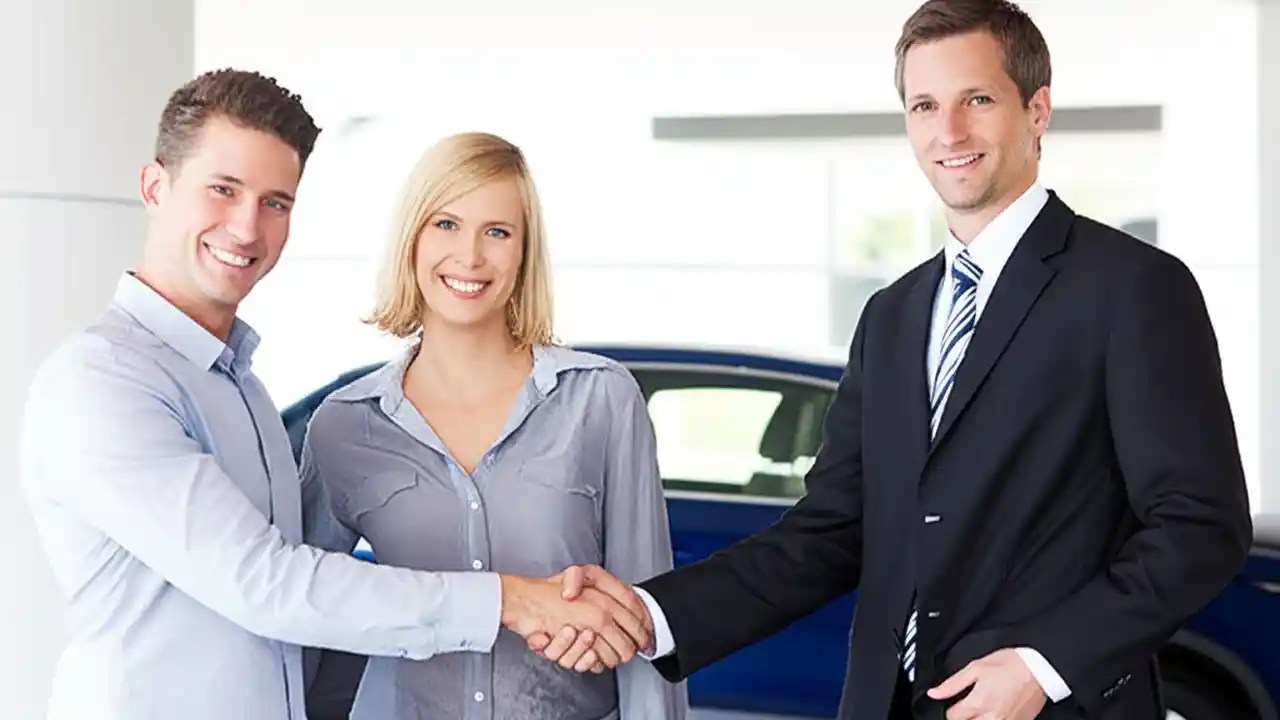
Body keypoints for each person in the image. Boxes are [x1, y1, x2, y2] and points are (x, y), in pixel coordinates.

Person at [543, 2, 1254, 718]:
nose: (949, 132)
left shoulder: (1132, 287)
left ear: (1037, 110)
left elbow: (1199, 525)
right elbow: (831, 531)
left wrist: (1045, 665)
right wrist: (647, 614)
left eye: (977, 100)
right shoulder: (892, 315)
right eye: (924, 106)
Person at [18, 69, 649, 720]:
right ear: (155, 187)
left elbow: (315, 628)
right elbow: (270, 583)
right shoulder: (103, 383)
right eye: (223, 190)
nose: (246, 227)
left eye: (275, 203)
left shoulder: (242, 388)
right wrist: (510, 600)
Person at [299, 131, 687, 720]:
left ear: (525, 253)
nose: (471, 256)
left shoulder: (600, 399)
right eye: (446, 225)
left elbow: (646, 622)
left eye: (498, 232)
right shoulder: (345, 425)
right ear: (412, 238)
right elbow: (300, 614)